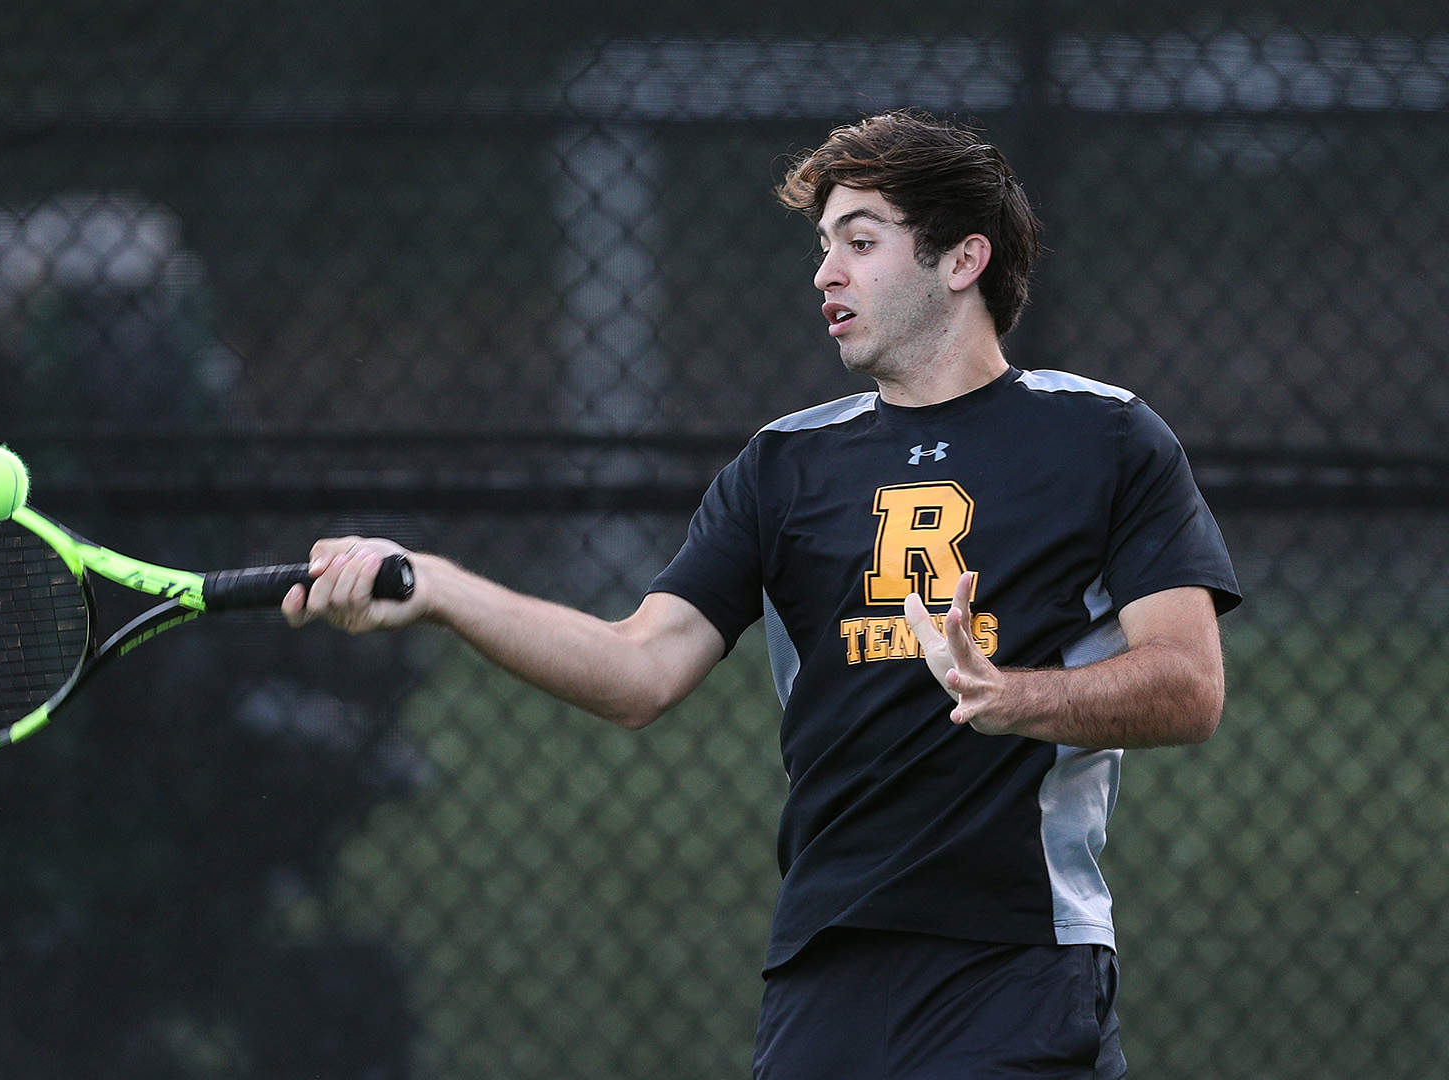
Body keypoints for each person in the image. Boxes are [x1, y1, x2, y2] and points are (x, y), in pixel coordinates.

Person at [281, 109, 1240, 1079]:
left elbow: (1189, 686)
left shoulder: (1105, 436)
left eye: (861, 242)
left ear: (961, 260)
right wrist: (442, 589)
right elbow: (639, 670)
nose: (826, 273)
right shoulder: (783, 466)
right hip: (822, 967)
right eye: (824, 246)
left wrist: (1013, 697)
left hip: (1020, 962)